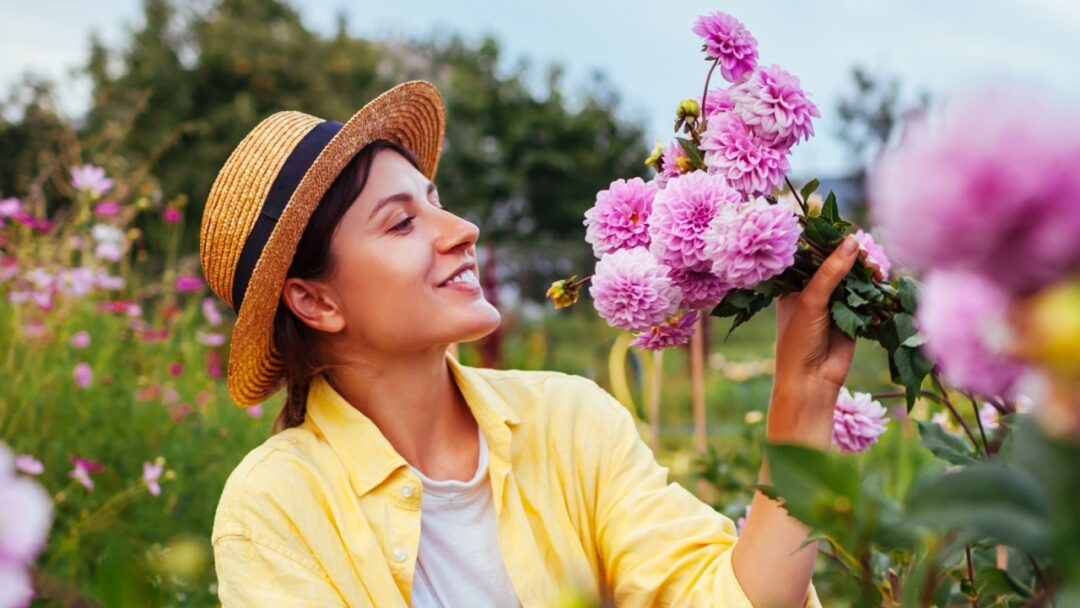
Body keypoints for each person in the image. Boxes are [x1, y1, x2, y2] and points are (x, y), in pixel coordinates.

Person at [200, 81, 860, 607]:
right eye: (401, 223)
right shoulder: (276, 507)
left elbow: (720, 599)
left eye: (436, 201)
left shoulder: (570, 423)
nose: (462, 229)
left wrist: (804, 395)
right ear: (315, 301)